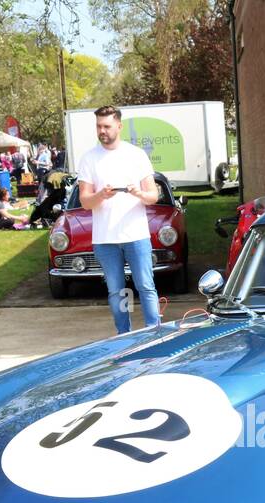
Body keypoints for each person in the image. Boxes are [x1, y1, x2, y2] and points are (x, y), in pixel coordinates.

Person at [77, 105, 161, 334]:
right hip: (105, 238)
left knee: (145, 286)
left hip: (136, 234)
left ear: (119, 126)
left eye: (106, 126)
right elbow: (85, 201)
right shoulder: (89, 159)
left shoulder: (136, 155)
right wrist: (100, 195)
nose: (102, 131)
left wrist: (138, 194)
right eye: (98, 126)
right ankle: (124, 336)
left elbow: (153, 196)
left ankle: (154, 332)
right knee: (116, 290)